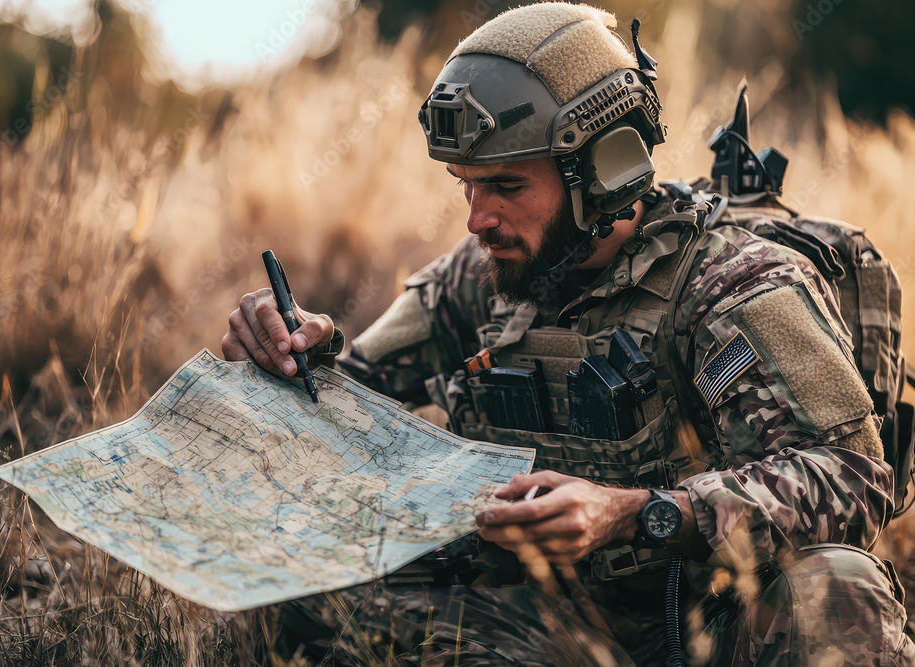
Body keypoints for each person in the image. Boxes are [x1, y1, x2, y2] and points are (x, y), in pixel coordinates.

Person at [222, 3, 915, 664]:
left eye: (506, 186)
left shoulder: (735, 284)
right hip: (551, 626)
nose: (477, 219)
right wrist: (297, 355)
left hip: (717, 630)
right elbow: (355, 389)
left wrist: (639, 513)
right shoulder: (486, 271)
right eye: (465, 185)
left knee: (834, 589)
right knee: (315, 579)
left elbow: (852, 476)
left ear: (603, 167)